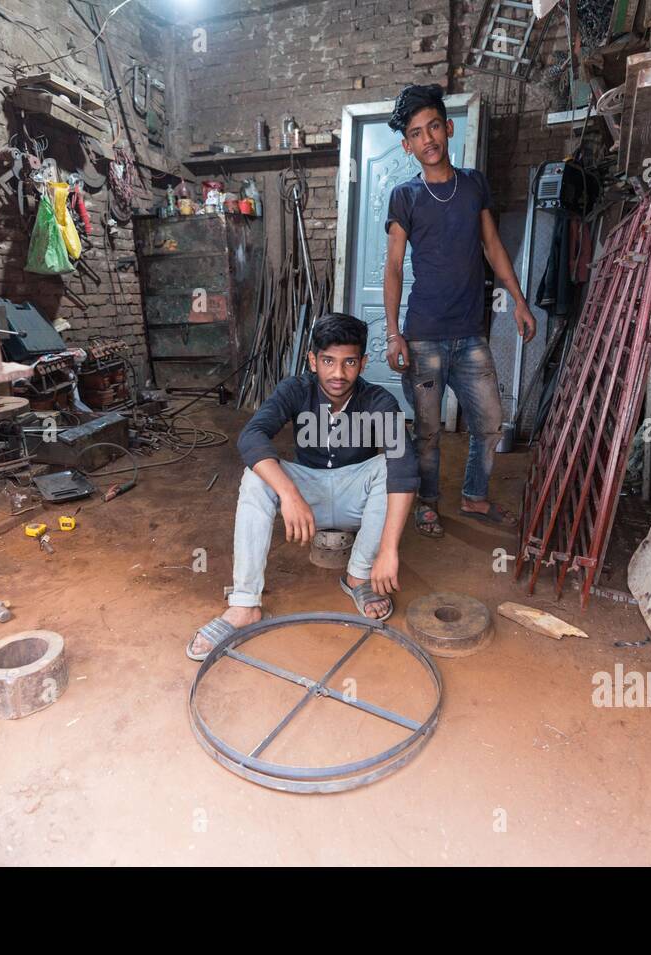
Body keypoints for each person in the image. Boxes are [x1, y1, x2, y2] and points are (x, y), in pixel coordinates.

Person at [187, 313, 419, 660]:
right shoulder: (295, 389)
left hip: (354, 492)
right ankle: (245, 603)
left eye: (349, 362)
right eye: (328, 361)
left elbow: (403, 465)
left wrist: (389, 550)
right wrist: (289, 493)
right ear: (312, 360)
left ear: (363, 362)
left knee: (393, 464)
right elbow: (252, 435)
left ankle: (358, 577)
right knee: (256, 476)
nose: (338, 374)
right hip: (306, 495)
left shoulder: (378, 400)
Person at [383, 83, 536, 538]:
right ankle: (428, 502)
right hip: (424, 334)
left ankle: (473, 496)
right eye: (416, 133)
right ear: (407, 145)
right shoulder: (404, 197)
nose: (427, 139)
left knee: (489, 423)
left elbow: (492, 246)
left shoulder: (473, 185)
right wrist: (394, 334)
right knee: (427, 431)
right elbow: (393, 266)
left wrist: (519, 302)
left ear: (448, 128)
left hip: (470, 333)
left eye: (433, 127)